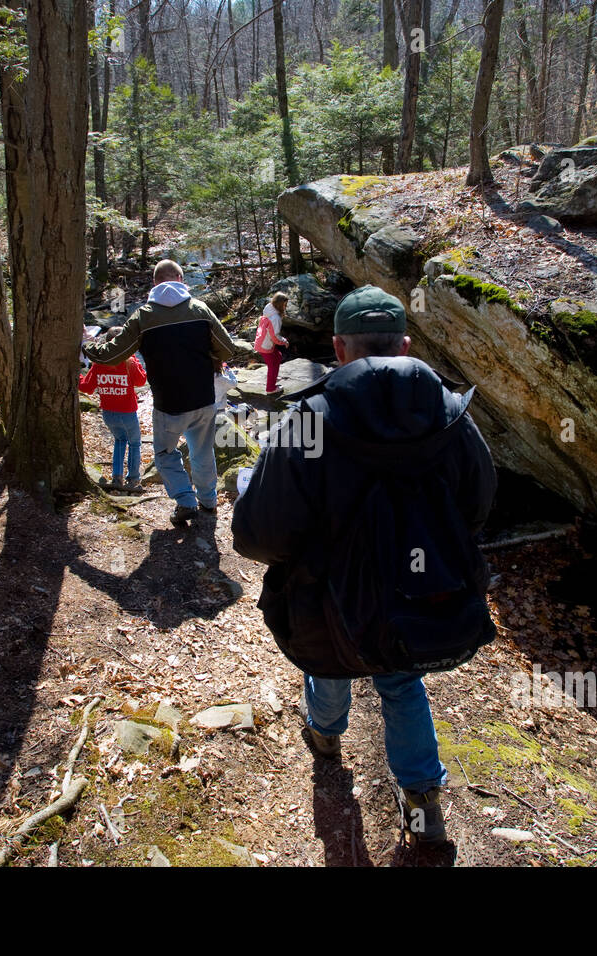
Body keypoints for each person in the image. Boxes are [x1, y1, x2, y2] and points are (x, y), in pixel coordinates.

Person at [231, 285, 497, 845]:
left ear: (338, 349)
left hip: (328, 597)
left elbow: (260, 533)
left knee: (328, 664)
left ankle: (326, 737)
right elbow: (478, 504)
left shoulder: (307, 420)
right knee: (401, 683)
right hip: (417, 597)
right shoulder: (451, 413)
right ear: (404, 345)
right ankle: (424, 802)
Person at [83, 260, 237, 527]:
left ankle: (185, 500)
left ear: (155, 283)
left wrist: (87, 348)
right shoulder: (199, 309)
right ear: (180, 278)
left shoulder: (144, 316)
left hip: (168, 403)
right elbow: (227, 348)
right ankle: (209, 502)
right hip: (203, 398)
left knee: (165, 454)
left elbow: (114, 355)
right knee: (202, 452)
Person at [79, 350, 148, 493]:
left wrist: (78, 375)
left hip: (108, 414)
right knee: (134, 443)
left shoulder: (99, 364)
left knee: (119, 440)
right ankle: (133, 479)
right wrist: (135, 359)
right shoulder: (129, 362)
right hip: (128, 413)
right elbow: (141, 381)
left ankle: (117, 477)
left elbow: (87, 388)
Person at [255, 291, 290, 394]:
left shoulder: (269, 309)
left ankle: (274, 377)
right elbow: (275, 336)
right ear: (280, 304)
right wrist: (284, 341)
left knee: (278, 356)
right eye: (284, 304)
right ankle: (270, 388)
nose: (285, 306)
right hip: (265, 345)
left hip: (262, 341)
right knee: (273, 365)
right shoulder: (275, 318)